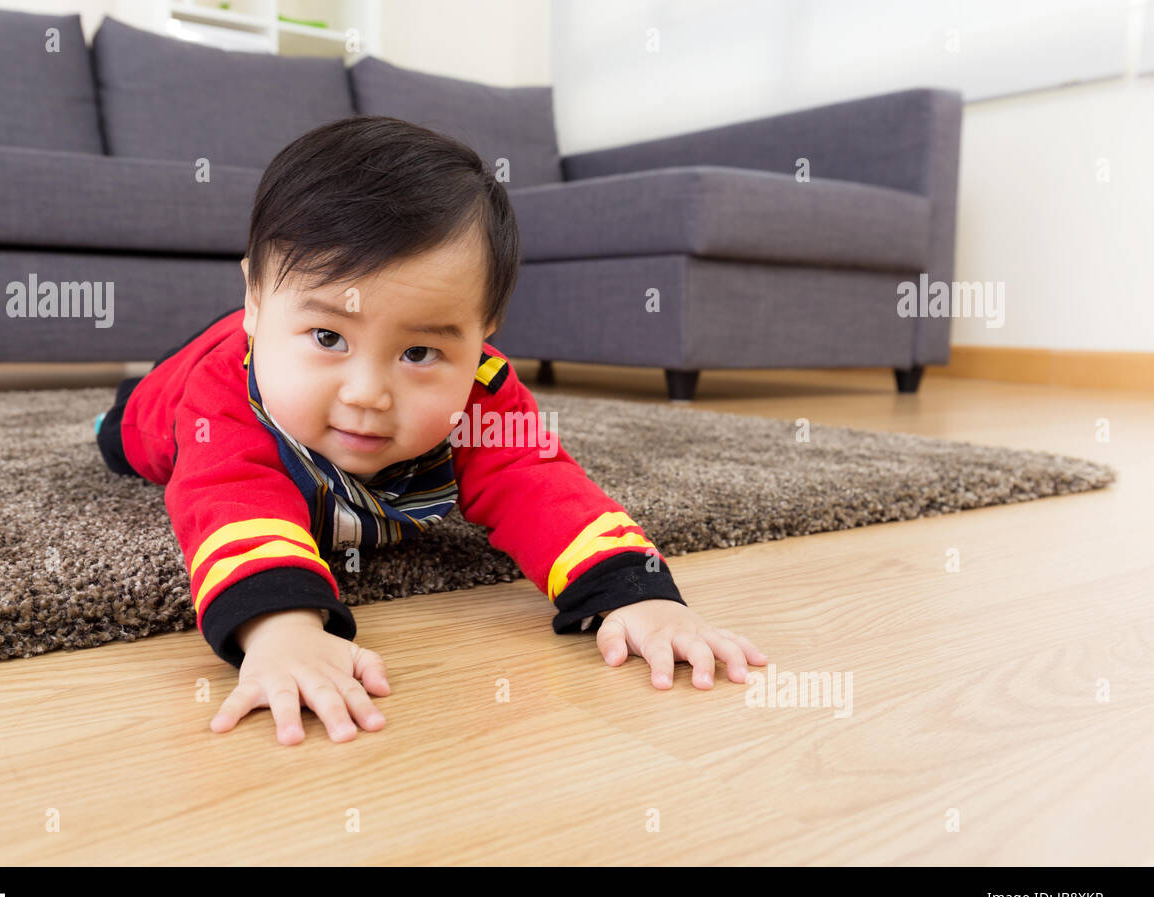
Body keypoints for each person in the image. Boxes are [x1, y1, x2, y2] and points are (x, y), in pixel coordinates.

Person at [95, 116, 766, 746]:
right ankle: (124, 405)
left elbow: (539, 484)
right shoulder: (221, 396)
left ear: (483, 336)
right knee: (129, 437)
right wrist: (284, 630)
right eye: (328, 336)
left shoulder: (483, 399)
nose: (366, 394)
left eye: (419, 354)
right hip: (184, 380)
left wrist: (639, 593)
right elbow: (229, 496)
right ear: (256, 301)